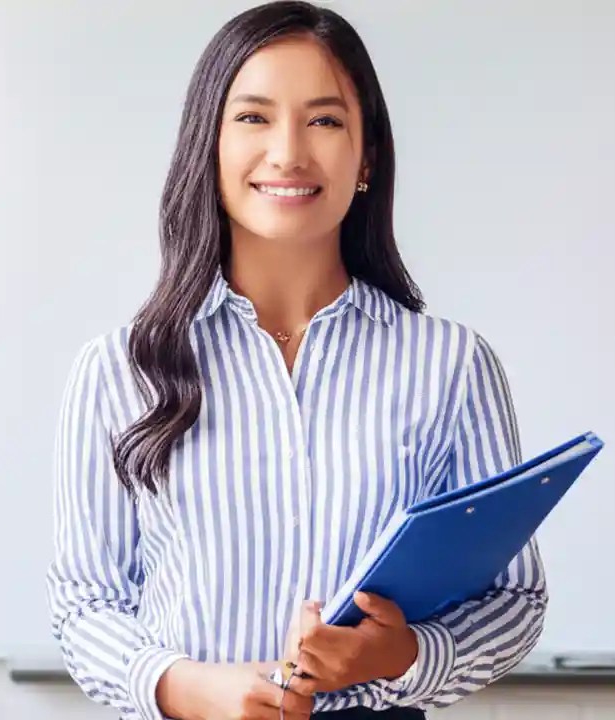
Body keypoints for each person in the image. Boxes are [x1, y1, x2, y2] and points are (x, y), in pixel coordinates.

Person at [44, 2, 546, 719]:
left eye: (325, 120)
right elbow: (84, 602)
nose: (288, 153)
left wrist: (403, 655)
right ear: (209, 144)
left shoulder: (452, 365)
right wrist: (190, 688)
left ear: (367, 156)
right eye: (253, 117)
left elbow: (514, 599)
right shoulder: (119, 369)